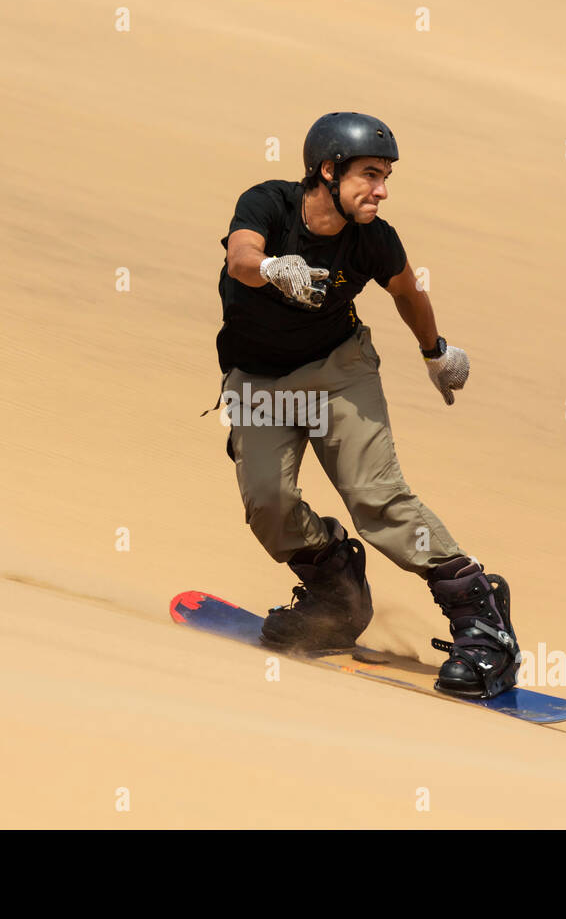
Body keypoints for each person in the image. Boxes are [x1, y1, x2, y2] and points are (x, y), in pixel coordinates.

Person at [213, 111, 520, 698]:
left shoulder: (373, 238)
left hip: (339, 371)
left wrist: (435, 353)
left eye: (386, 178)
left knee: (375, 496)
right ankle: (336, 590)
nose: (381, 190)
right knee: (268, 506)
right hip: (256, 380)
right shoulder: (268, 205)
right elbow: (240, 259)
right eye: (370, 175)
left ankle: (483, 624)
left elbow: (407, 290)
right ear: (327, 171)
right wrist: (278, 269)